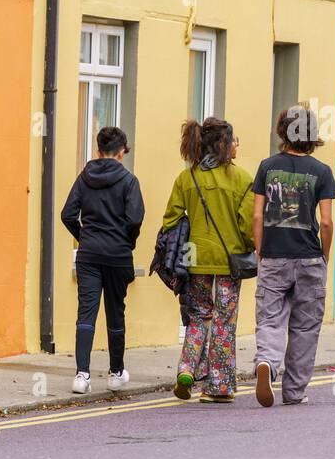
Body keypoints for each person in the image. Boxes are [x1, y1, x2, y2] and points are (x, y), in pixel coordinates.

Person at [162, 117, 255, 404]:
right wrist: (250, 246)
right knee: (224, 322)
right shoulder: (242, 179)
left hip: (195, 259)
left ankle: (187, 369)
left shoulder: (186, 178)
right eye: (235, 140)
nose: (238, 145)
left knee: (198, 318)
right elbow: (248, 225)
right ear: (223, 144)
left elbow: (171, 220)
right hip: (229, 263)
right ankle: (218, 386)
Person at [252, 106, 335, 407]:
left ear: (282, 131)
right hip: (310, 257)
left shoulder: (267, 167)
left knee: (270, 319)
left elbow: (257, 216)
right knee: (305, 326)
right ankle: (294, 391)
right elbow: (326, 222)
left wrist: (261, 252)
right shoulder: (323, 172)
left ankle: (266, 363)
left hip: (274, 255)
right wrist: (324, 255)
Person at [60, 126, 145, 395]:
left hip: (89, 254)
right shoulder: (129, 181)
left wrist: (84, 236)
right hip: (117, 255)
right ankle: (115, 372)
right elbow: (134, 219)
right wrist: (126, 242)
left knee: (86, 312)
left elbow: (67, 214)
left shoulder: (84, 178)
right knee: (115, 313)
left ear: (98, 151)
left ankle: (81, 375)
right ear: (121, 153)